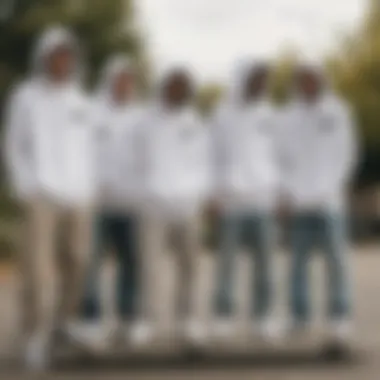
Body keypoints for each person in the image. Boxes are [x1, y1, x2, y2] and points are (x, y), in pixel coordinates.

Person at [3, 25, 95, 370]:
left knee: (80, 261)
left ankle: (60, 324)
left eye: (67, 55)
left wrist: (89, 186)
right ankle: (34, 337)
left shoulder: (81, 101)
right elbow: (13, 144)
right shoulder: (24, 96)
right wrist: (25, 187)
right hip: (40, 194)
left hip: (78, 196)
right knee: (38, 272)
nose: (62, 61)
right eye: (56, 54)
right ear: (43, 57)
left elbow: (88, 147)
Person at [280, 64, 359, 343]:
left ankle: (339, 317)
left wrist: (331, 188)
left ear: (322, 80)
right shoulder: (288, 116)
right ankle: (299, 317)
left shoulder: (337, 111)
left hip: (329, 202)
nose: (308, 84)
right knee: (298, 264)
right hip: (300, 202)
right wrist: (288, 192)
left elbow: (347, 153)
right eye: (303, 80)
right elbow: (283, 159)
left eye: (313, 79)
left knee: (336, 262)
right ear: (298, 83)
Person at [135, 66, 211, 345]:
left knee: (190, 267)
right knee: (150, 266)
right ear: (164, 86)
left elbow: (204, 162)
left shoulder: (195, 122)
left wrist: (198, 195)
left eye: (184, 86)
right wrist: (146, 192)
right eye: (174, 85)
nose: (179, 90)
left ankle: (187, 320)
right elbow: (135, 160)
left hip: (187, 206)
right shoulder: (145, 120)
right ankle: (146, 320)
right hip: (154, 205)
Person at [211, 60, 279, 340]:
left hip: (263, 200)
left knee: (265, 264)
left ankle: (262, 317)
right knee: (227, 264)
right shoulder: (222, 113)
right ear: (243, 79)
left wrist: (278, 191)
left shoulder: (269, 113)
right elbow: (212, 155)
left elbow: (279, 155)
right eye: (256, 78)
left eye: (264, 79)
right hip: (231, 202)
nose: (261, 84)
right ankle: (224, 316)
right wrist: (214, 193)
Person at [79, 55, 143, 349]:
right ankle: (90, 319)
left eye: (128, 80)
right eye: (119, 79)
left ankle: (128, 318)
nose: (124, 85)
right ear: (109, 80)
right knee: (90, 262)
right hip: (97, 201)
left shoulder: (141, 116)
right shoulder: (92, 112)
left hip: (130, 202)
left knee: (130, 261)